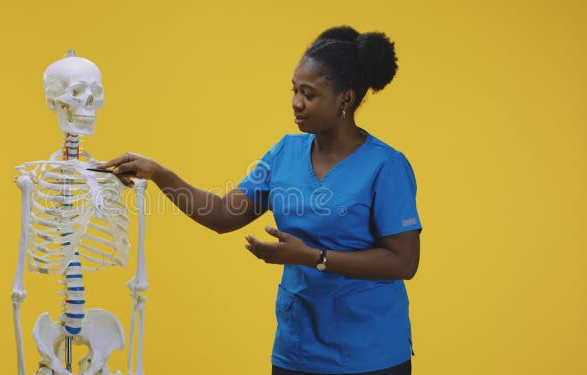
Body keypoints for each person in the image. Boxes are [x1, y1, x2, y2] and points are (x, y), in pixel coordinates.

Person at [97, 25, 422, 375]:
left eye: (309, 94)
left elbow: (403, 262)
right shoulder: (285, 153)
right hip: (298, 351)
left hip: (371, 354)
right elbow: (222, 214)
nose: (296, 102)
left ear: (345, 98)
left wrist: (314, 257)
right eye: (294, 90)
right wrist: (159, 174)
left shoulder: (385, 166)